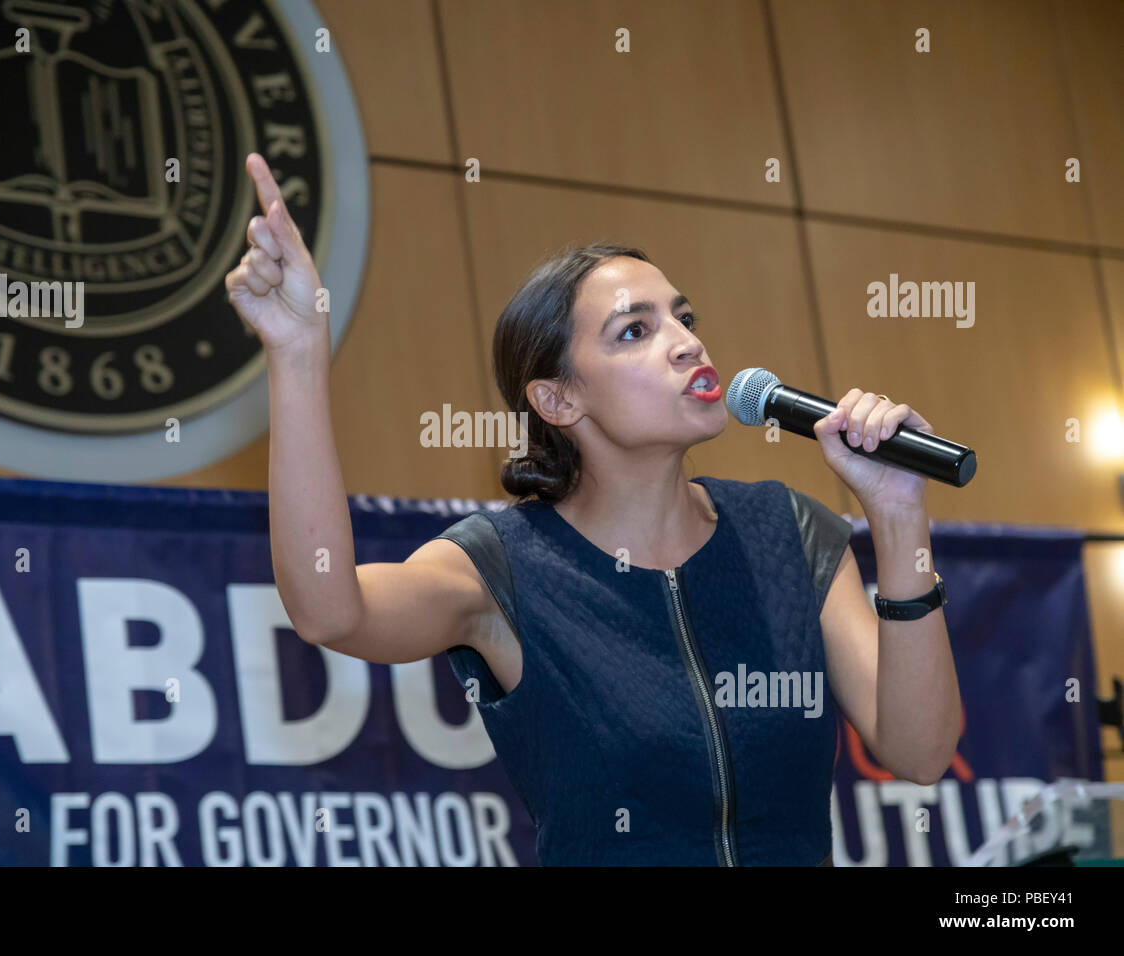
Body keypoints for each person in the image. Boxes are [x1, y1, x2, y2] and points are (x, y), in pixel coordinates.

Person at [226, 152, 963, 866]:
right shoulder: (500, 569)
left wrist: (898, 514)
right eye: (635, 331)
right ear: (558, 399)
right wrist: (295, 356)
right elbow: (329, 610)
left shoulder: (790, 533)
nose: (688, 343)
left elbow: (923, 752)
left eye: (683, 316)